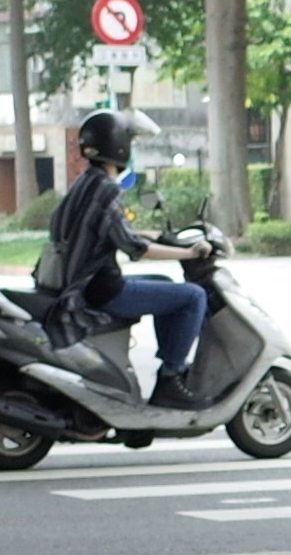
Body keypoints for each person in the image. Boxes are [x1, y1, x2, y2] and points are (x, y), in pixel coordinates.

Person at [36, 108, 207, 405]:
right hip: (96, 290)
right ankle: (171, 376)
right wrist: (189, 252)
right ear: (119, 146)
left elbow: (106, 230)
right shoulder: (105, 189)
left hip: (79, 283)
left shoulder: (85, 182)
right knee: (193, 296)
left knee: (163, 282)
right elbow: (134, 249)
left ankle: (171, 369)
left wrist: (147, 232)